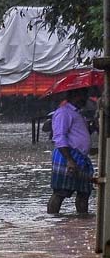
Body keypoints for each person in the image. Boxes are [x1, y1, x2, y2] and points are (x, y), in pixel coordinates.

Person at [48, 87, 94, 215]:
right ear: (75, 95)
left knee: (84, 192)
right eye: (84, 95)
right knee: (60, 192)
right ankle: (52, 220)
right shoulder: (64, 112)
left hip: (80, 157)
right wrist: (69, 160)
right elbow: (59, 137)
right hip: (67, 156)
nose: (86, 98)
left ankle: (82, 219)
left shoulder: (77, 113)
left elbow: (78, 134)